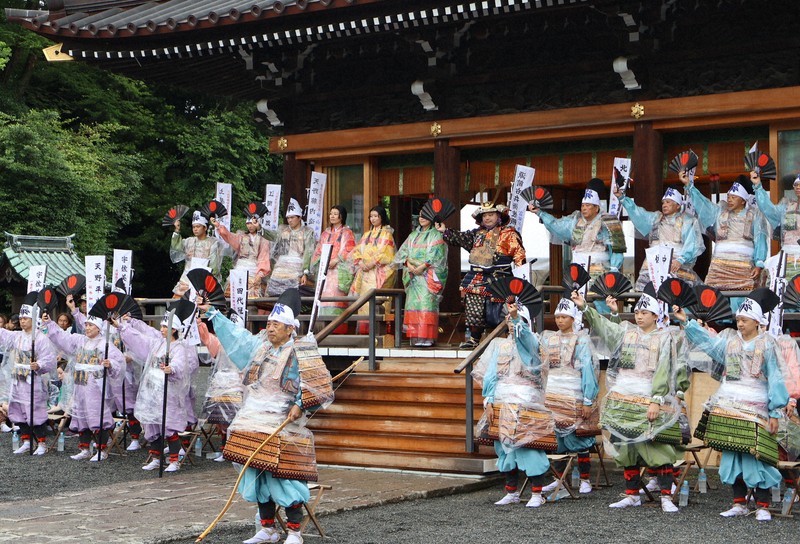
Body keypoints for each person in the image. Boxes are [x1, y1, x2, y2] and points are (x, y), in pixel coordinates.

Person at [199, 289, 331, 544]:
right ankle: (268, 529)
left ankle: (295, 532)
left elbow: (320, 385)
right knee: (256, 471)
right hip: (253, 416)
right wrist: (213, 313)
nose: (270, 328)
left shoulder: (302, 350)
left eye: (276, 325)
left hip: (283, 419)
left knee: (284, 476)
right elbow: (236, 336)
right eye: (269, 324)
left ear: (290, 328)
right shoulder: (260, 347)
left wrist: (300, 404)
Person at [674, 288, 789, 521]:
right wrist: (687, 322)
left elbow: (776, 378)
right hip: (728, 404)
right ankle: (738, 503)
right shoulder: (730, 341)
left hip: (756, 407)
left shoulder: (767, 344)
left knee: (756, 456)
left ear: (757, 321)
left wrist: (776, 412)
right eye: (738, 319)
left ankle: (763, 505)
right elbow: (709, 343)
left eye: (744, 320)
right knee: (731, 454)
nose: (740, 323)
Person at [573, 285, 686, 512]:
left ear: (655, 315)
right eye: (637, 312)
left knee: (657, 447)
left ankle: (666, 496)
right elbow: (604, 326)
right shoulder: (626, 333)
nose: (639, 316)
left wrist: (656, 399)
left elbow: (665, 369)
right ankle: (632, 494)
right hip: (623, 397)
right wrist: (585, 308)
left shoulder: (665, 338)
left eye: (644, 312)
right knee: (625, 447)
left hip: (650, 398)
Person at [473, 303, 552, 508]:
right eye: (508, 320)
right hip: (502, 400)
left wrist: (517, 318)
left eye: (516, 320)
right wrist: (489, 399)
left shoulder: (534, 342)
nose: (511, 323)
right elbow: (491, 374)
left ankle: (537, 493)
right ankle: (511, 491)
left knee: (529, 445)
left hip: (526, 401)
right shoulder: (501, 345)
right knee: (503, 447)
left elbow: (524, 338)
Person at [437, 203, 526, 349]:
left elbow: (519, 255)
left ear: (499, 216)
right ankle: (474, 338)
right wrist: (444, 230)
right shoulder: (477, 234)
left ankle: (511, 336)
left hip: (500, 276)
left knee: (502, 308)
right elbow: (460, 237)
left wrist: (521, 276)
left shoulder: (509, 234)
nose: (487, 218)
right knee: (474, 306)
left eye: (491, 215)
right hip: (477, 276)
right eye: (484, 215)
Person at [530, 179, 625, 311]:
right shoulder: (576, 220)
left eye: (588, 205)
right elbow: (557, 225)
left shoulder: (610, 221)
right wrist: (540, 213)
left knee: (600, 308)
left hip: (600, 269)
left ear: (596, 207)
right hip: (577, 269)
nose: (584, 208)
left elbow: (618, 248)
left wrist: (614, 270)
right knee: (575, 306)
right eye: (583, 205)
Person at [536, 297, 600, 495]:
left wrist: (588, 399)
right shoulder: (549, 338)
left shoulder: (581, 340)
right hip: (553, 393)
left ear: (573, 318)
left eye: (564, 317)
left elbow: (587, 369)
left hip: (574, 393)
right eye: (557, 317)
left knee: (579, 437)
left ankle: (585, 478)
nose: (560, 320)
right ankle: (559, 479)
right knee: (558, 439)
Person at [118, 307, 193, 472]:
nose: (162, 329)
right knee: (152, 424)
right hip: (152, 390)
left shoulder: (179, 347)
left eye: (165, 327)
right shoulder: (157, 344)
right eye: (162, 326)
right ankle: (156, 458)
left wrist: (172, 368)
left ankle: (174, 460)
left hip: (168, 392)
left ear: (174, 329)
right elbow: (140, 339)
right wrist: (122, 327)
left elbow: (180, 364)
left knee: (168, 425)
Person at [41, 314, 123, 461]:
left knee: (97, 416)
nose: (87, 328)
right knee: (81, 416)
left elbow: (119, 362)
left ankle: (101, 449)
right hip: (80, 385)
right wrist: (50, 324)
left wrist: (110, 364)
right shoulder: (80, 340)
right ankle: (84, 448)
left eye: (91, 325)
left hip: (96, 388)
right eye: (86, 325)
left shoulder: (105, 344)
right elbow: (62, 337)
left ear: (98, 328)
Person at [681, 172, 768, 301]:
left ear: (743, 200)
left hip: (742, 267)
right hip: (719, 266)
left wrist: (759, 263)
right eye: (728, 196)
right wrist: (689, 186)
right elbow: (703, 204)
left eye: (734, 197)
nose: (730, 199)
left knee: (740, 300)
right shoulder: (720, 212)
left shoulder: (754, 215)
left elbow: (760, 239)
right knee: (714, 300)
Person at [613, 183, 703, 290]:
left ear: (678, 205)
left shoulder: (688, 221)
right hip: (654, 262)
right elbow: (638, 212)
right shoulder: (656, 218)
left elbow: (693, 243)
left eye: (668, 202)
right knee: (646, 291)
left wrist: (681, 260)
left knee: (676, 293)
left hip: (676, 263)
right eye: (663, 202)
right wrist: (622, 198)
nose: (664, 205)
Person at [0, 295, 57, 455]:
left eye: (25, 318)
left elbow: (49, 358)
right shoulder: (17, 336)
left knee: (34, 411)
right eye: (21, 318)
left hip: (33, 381)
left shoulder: (40, 338)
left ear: (33, 319)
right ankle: (26, 440)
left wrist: (39, 364)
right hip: (18, 380)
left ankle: (41, 443)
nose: (22, 321)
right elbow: (3, 335)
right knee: (18, 411)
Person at [393, 211, 448, 347]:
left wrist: (423, 267)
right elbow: (403, 253)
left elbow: (437, 256)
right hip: (413, 276)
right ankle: (415, 336)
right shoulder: (413, 235)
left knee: (426, 304)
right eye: (420, 216)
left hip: (427, 276)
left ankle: (427, 337)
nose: (422, 218)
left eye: (426, 216)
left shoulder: (435, 234)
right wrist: (409, 265)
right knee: (413, 305)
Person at [349, 205, 397, 335]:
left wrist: (372, 263)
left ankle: (380, 333)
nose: (373, 219)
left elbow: (386, 253)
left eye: (376, 216)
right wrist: (360, 262)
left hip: (377, 273)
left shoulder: (387, 234)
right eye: (371, 216)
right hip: (365, 273)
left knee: (378, 301)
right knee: (364, 304)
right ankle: (364, 333)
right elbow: (357, 250)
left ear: (382, 217)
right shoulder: (366, 234)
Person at [311, 205, 356, 334]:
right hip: (325, 271)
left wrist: (337, 260)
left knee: (336, 300)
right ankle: (322, 330)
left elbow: (350, 250)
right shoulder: (325, 234)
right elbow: (318, 251)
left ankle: (338, 330)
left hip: (338, 272)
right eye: (331, 213)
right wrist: (322, 261)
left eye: (335, 214)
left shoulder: (347, 233)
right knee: (323, 298)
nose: (332, 216)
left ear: (341, 216)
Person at [211, 205, 271, 298]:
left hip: (254, 270)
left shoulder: (263, 240)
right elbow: (230, 237)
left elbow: (264, 258)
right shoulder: (242, 237)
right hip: (239, 268)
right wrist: (218, 226)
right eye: (248, 224)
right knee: (233, 296)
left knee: (251, 298)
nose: (250, 226)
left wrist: (260, 274)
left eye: (252, 223)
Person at [262, 198, 316, 297]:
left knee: (293, 292)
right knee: (274, 288)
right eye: (288, 218)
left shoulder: (308, 231)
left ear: (299, 217)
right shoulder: (283, 230)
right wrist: (259, 229)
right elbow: (272, 236)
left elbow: (308, 253)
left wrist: (305, 273)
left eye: (292, 217)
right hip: (281, 266)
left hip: (298, 266)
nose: (290, 220)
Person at [753, 171, 800, 278]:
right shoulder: (787, 207)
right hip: (787, 257)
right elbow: (768, 209)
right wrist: (758, 186)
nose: (798, 187)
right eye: (796, 185)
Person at [170, 210, 223, 297]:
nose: (195, 229)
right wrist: (177, 230)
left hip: (204, 280)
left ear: (205, 228)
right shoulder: (189, 241)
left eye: (198, 226)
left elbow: (214, 265)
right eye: (193, 227)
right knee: (179, 302)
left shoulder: (213, 242)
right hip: (186, 279)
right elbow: (176, 248)